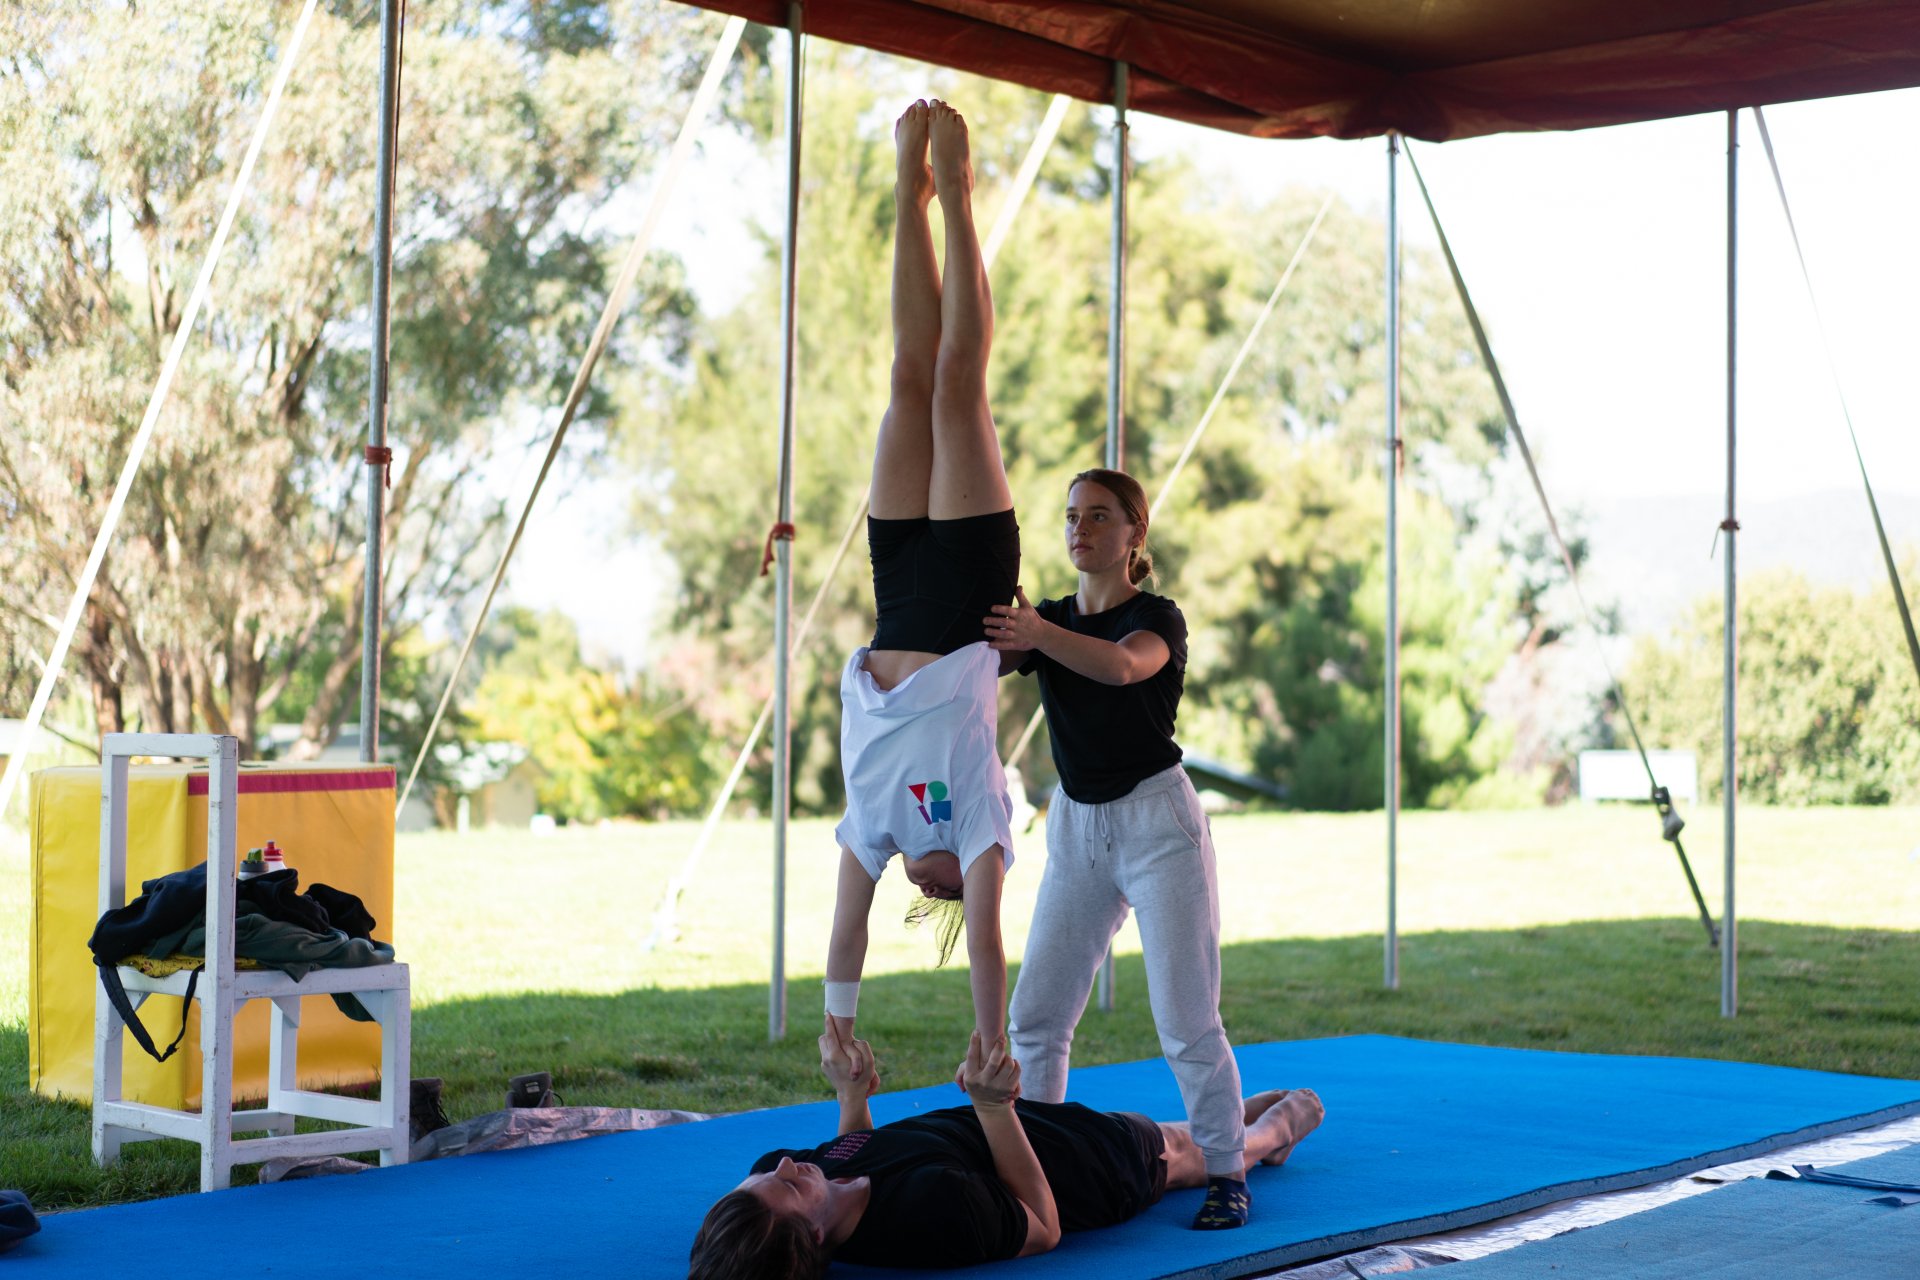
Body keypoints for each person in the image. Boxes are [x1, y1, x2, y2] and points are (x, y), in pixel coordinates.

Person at [984, 468, 1255, 1229]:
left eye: (1100, 517)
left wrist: (1036, 633)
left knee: (1186, 1018)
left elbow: (1123, 665)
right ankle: (1038, 1162)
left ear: (1135, 533)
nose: (1080, 529)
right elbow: (987, 655)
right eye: (1072, 516)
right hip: (1076, 829)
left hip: (1159, 827)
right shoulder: (1053, 618)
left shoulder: (1157, 617)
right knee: (1036, 1014)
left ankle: (1228, 1172)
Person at [825, 100, 1021, 1055]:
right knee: (959, 379)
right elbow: (986, 942)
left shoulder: (876, 831)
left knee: (909, 375)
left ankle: (910, 186)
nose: (934, 888)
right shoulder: (984, 821)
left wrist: (837, 1023)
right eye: (946, 894)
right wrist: (991, 1041)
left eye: (927, 893)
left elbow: (845, 930)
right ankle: (961, 197)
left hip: (900, 585)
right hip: (971, 592)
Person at [686, 1020, 1324, 1277]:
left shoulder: (798, 1178)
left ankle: (1229, 1119)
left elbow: (859, 1149)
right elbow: (1044, 1227)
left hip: (1045, 1126)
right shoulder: (928, 1216)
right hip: (1100, 1171)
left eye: (767, 1177)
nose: (790, 1165)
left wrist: (851, 1094)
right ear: (816, 1238)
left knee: (1183, 1130)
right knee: (1192, 1155)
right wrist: (994, 1107)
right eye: (791, 1184)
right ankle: (1274, 1134)